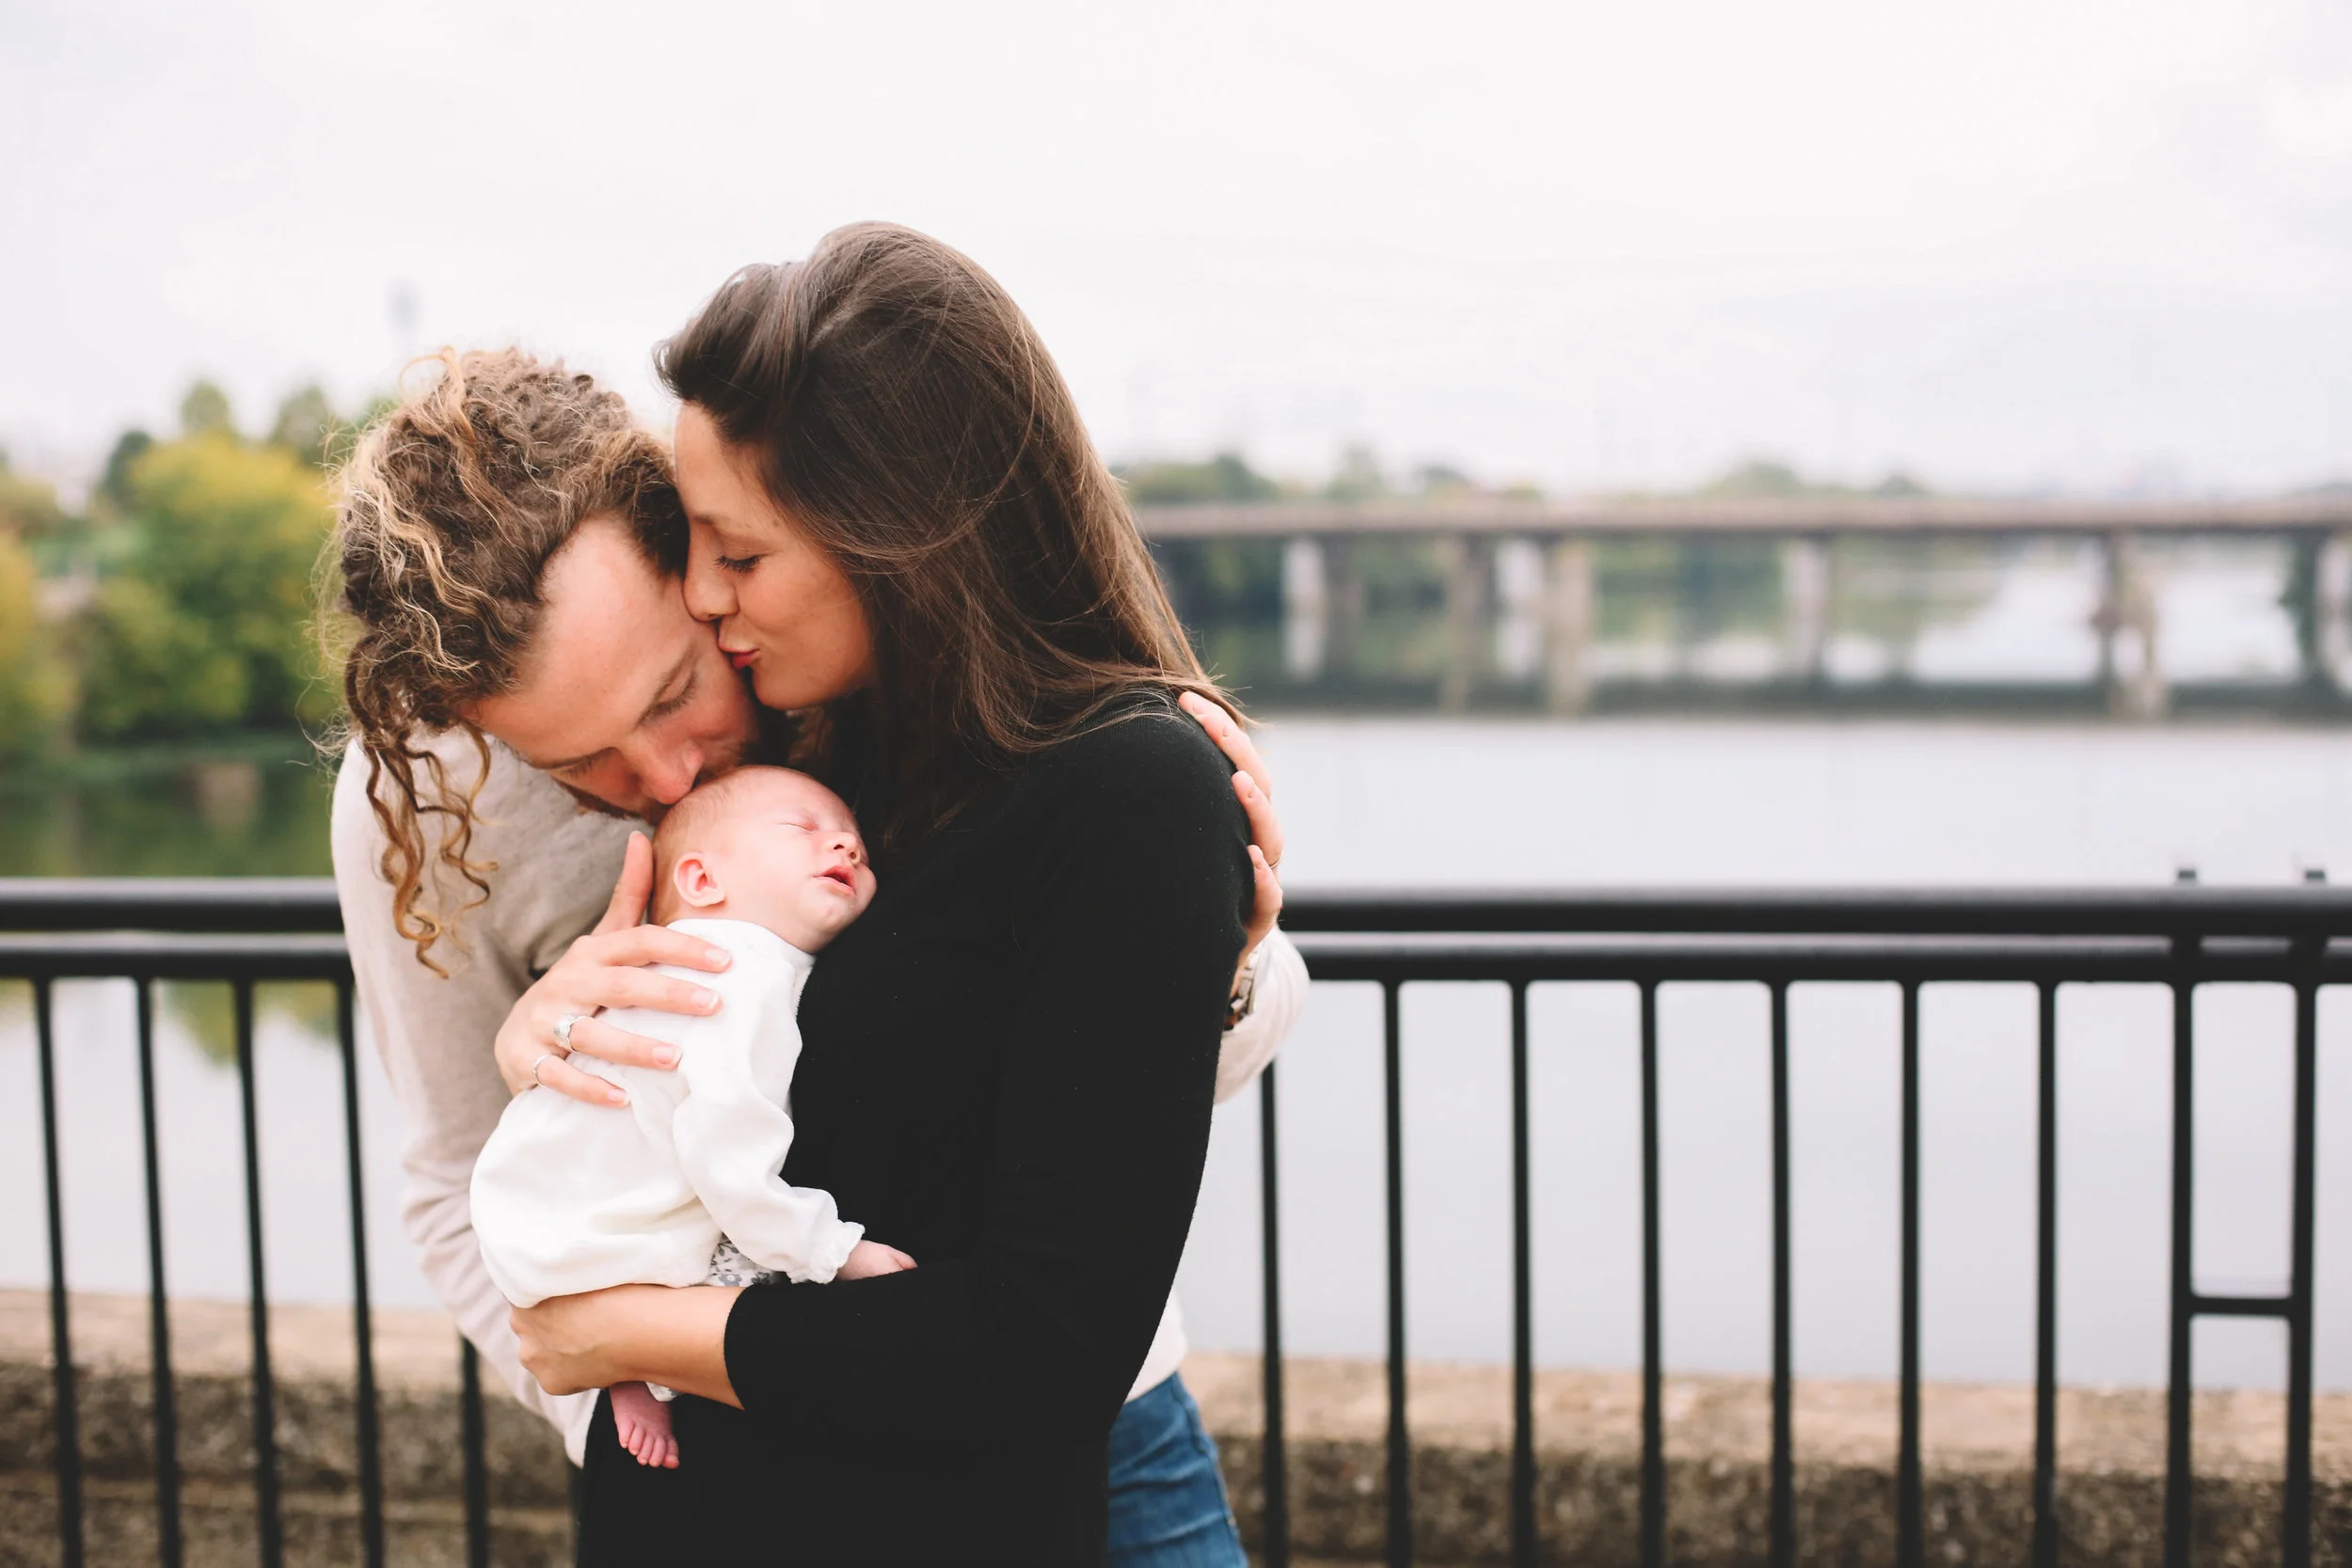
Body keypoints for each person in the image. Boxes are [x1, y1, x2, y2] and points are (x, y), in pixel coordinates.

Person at [326, 245, 1303, 1563]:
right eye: (580, 765)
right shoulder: (433, 793)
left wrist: (1222, 965)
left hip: (1085, 1438)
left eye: (678, 688)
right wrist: (617, 1395)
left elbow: (1081, 1102)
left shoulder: (834, 666)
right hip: (726, 1467)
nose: (665, 778)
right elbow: (457, 1175)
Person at [469, 767, 914, 1474]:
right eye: (804, 829)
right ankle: (636, 1366)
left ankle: (632, 1373)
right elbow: (731, 1150)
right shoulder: (735, 975)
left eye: (856, 842)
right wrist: (829, 1251)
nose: (846, 846)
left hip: (563, 1225)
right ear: (703, 882)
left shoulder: (742, 970)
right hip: (582, 1229)